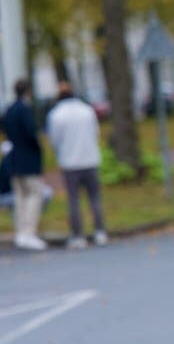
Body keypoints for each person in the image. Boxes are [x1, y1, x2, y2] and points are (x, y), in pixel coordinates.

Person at [47, 82, 108, 250]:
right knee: (94, 197)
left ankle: (78, 235)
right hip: (90, 159)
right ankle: (100, 231)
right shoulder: (87, 110)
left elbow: (55, 140)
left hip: (70, 162)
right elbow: (96, 132)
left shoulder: (56, 115)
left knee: (73, 199)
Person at [3, 79, 48, 250]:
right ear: (27, 91)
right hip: (28, 159)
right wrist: (38, 148)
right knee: (34, 195)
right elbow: (31, 133)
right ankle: (29, 232)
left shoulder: (10, 109)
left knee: (20, 196)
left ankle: (21, 232)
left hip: (14, 159)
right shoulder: (24, 109)